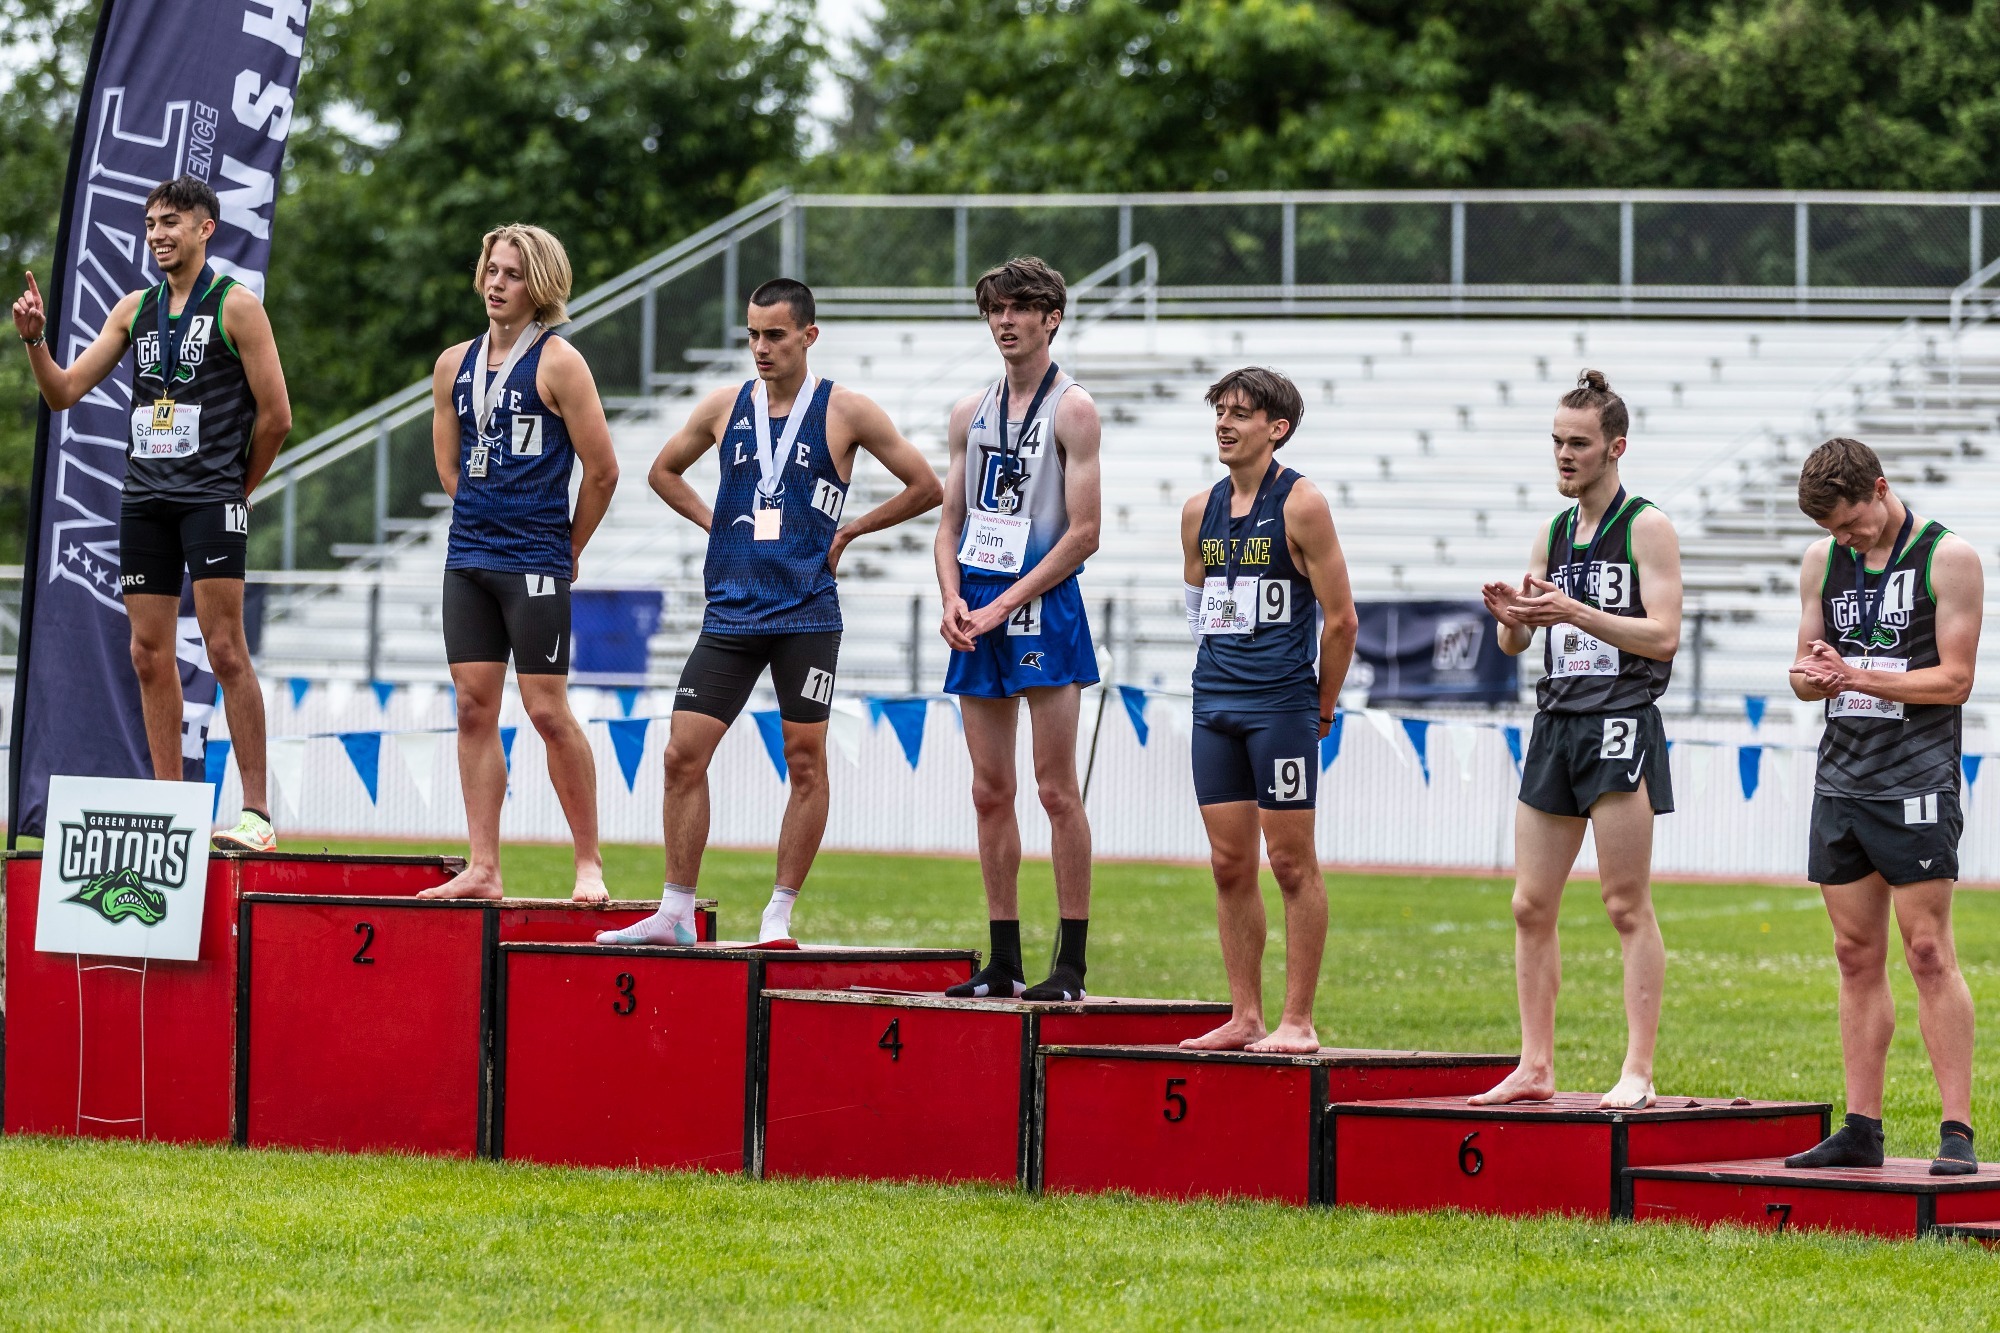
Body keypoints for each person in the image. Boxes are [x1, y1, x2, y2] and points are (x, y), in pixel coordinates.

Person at [599, 278, 941, 946]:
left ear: (808, 336)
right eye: (753, 334)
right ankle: (675, 912)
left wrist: (849, 531)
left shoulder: (847, 411)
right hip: (730, 612)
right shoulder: (725, 406)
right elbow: (663, 471)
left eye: (775, 335)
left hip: (806, 614)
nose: (761, 347)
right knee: (680, 755)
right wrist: (716, 522)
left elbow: (927, 486)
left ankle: (777, 915)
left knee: (805, 760)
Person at [12, 175, 287, 850]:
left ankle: (256, 813)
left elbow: (277, 418)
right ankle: (174, 808)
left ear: (205, 229)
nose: (159, 234)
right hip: (145, 501)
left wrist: (235, 490)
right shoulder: (135, 308)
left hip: (211, 499)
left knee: (225, 648)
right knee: (146, 653)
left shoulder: (237, 307)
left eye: (171, 222)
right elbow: (65, 393)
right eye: (150, 224)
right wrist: (36, 342)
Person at [1473, 370, 1682, 1110]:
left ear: (1615, 447)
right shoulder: (1554, 531)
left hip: (1619, 718)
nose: (1564, 455)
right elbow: (1514, 643)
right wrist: (1514, 616)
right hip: (1556, 721)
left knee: (1625, 903)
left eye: (1579, 444)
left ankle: (1638, 1067)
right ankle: (1535, 1064)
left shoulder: (1646, 526)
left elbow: (1663, 636)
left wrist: (1574, 610)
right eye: (1557, 442)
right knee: (1530, 904)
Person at [1782, 437, 1981, 1176]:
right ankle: (1862, 1126)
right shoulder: (1821, 562)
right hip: (1843, 778)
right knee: (1854, 954)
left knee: (1927, 949)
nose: (1845, 538)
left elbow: (1954, 679)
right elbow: (1805, 671)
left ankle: (1955, 1130)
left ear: (1879, 487)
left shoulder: (1947, 556)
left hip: (1917, 777)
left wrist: (1855, 671)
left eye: (1852, 522)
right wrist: (1814, 677)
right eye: (1833, 529)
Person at [419, 225, 618, 902]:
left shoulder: (560, 362)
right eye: (492, 270)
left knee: (545, 709)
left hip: (535, 559)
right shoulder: (453, 364)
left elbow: (603, 471)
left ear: (541, 287)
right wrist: (484, 512)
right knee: (474, 708)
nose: (497, 283)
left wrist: (569, 548)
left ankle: (588, 862)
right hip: (469, 557)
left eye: (512, 274)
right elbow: (449, 465)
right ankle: (483, 866)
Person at [934, 257, 1102, 1001]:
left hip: (1041, 606)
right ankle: (1003, 960)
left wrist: (1005, 604)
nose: (1005, 321)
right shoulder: (969, 411)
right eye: (995, 310)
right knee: (987, 789)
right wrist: (950, 595)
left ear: (1051, 318)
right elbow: (950, 521)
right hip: (976, 604)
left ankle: (1069, 966)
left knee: (1055, 789)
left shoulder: (1073, 409)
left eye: (1019, 309)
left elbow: (1085, 533)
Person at [1175, 369, 1357, 1053]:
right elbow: (1197, 605)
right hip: (1214, 703)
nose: (1224, 423)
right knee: (1227, 862)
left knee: (1289, 861)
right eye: (1220, 411)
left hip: (1280, 705)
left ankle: (1298, 1020)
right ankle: (1244, 1014)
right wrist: (1217, 672)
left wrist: (1322, 704)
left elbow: (1341, 620)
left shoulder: (1301, 504)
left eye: (1241, 413)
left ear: (1276, 427)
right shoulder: (1199, 510)